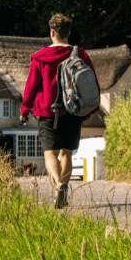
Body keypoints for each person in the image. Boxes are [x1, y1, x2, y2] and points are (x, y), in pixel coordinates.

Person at [20, 14, 99, 209]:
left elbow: (31, 86)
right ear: (68, 32)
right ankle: (64, 184)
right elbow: (92, 82)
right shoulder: (79, 53)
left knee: (50, 154)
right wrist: (90, 109)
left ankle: (57, 186)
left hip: (47, 111)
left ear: (52, 32)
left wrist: (25, 108)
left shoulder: (40, 57)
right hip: (73, 111)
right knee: (66, 154)